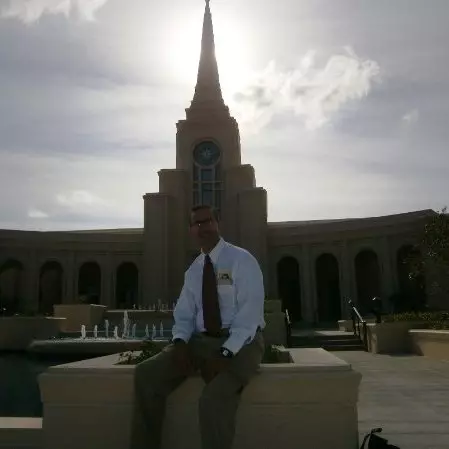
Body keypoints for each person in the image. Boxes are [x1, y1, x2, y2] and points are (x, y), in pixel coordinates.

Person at [132, 204, 266, 449]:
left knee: (212, 401)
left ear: (218, 223)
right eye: (197, 223)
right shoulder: (193, 271)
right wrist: (180, 343)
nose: (202, 228)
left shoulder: (242, 260)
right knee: (146, 375)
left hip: (243, 344)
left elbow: (249, 316)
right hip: (201, 342)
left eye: (207, 221)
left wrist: (226, 352)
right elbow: (184, 315)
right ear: (191, 230)